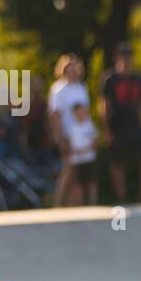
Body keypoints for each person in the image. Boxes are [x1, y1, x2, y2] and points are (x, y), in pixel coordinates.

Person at [102, 43, 141, 204]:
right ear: (117, 58)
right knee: (117, 163)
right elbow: (105, 106)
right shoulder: (110, 80)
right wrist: (107, 130)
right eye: (122, 56)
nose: (125, 60)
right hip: (117, 127)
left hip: (136, 126)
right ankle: (121, 197)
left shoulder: (138, 79)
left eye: (128, 56)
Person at [49, 54, 89, 207]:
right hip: (66, 133)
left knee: (77, 172)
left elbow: (85, 112)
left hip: (81, 135)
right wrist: (60, 137)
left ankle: (73, 205)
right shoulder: (58, 89)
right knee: (68, 169)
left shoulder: (81, 87)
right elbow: (55, 115)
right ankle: (57, 204)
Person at [66, 98, 100, 206]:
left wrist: (86, 150)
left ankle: (93, 203)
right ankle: (79, 205)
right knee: (78, 184)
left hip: (89, 159)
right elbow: (69, 144)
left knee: (92, 182)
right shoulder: (72, 128)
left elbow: (95, 141)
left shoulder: (89, 126)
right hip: (77, 161)